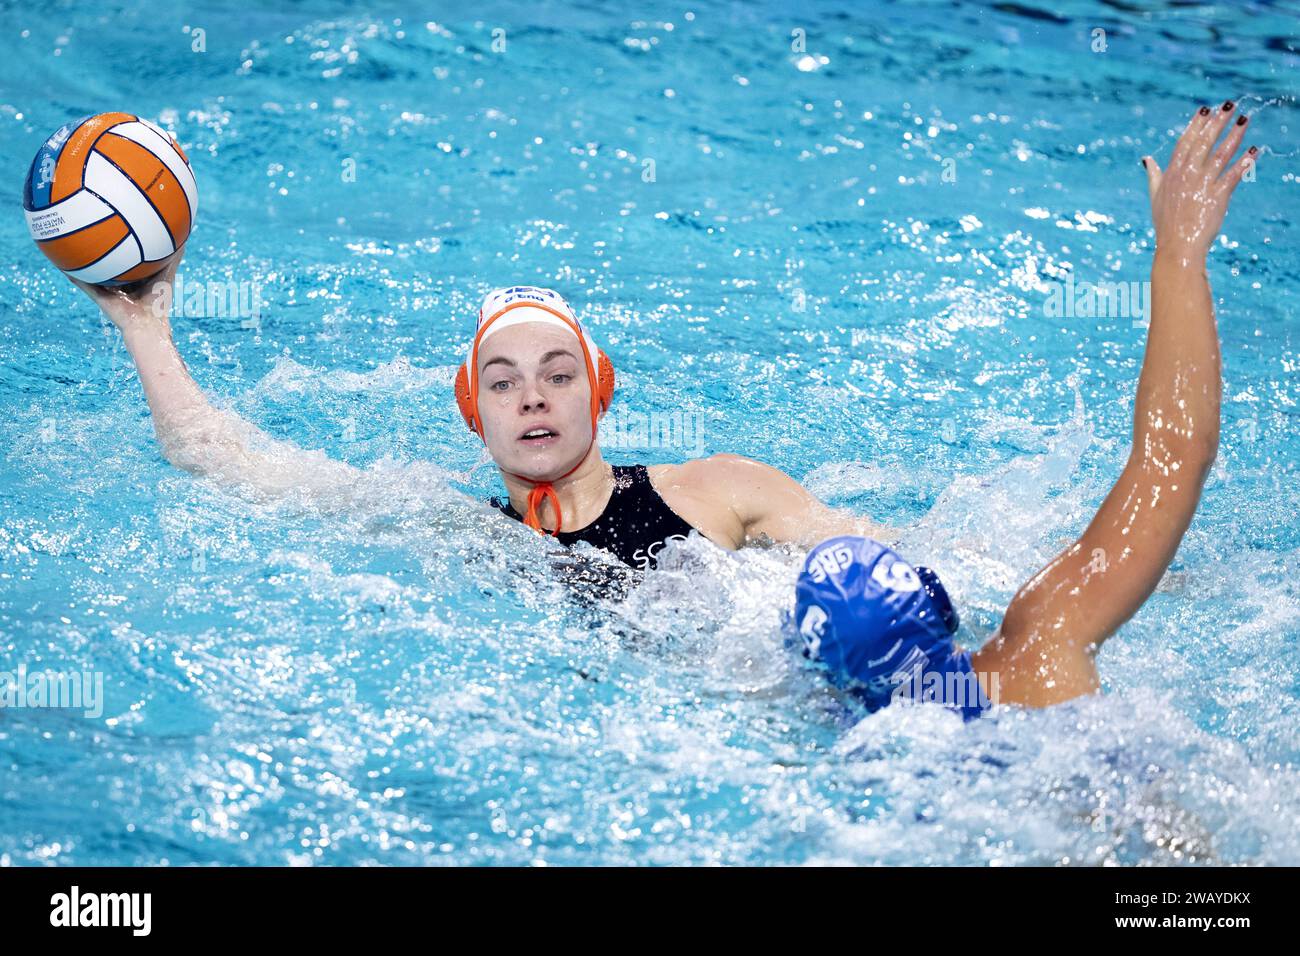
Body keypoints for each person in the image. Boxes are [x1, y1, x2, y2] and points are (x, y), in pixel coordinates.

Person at [72, 99, 1253, 711]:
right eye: (501, 379)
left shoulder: (718, 491)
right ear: (466, 412)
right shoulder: (463, 539)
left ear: (602, 387)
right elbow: (226, 458)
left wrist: (1052, 570)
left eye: (553, 372)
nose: (530, 396)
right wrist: (145, 327)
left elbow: (890, 555)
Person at [790, 100, 1257, 715]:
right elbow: (1174, 452)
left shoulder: (850, 742)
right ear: (938, 602)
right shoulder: (1034, 651)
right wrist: (1179, 252)